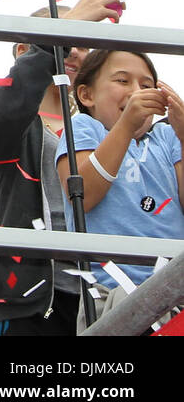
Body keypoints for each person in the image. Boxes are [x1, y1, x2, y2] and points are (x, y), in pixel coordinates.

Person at [0, 0, 123, 336]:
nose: (74, 51)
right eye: (66, 41)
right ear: (24, 52)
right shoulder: (0, 112)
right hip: (34, 296)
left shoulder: (96, 125)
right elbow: (4, 119)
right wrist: (59, 34)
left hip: (105, 289)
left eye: (83, 43)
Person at [56, 49, 184, 329]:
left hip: (178, 292)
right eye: (123, 81)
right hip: (112, 294)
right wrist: (126, 125)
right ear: (87, 95)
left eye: (147, 85)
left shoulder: (167, 137)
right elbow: (83, 194)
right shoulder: (82, 126)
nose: (137, 91)